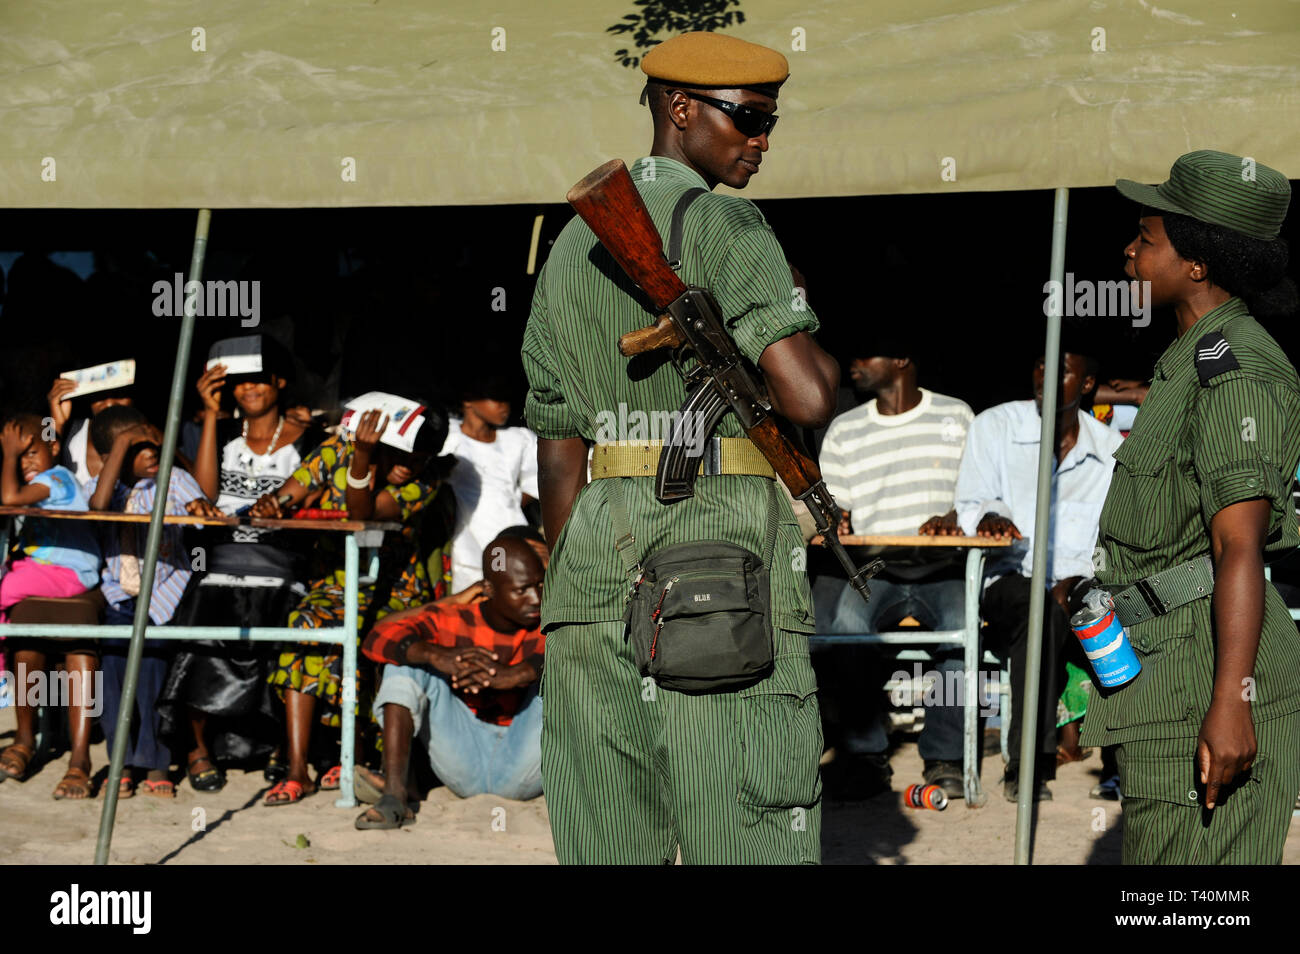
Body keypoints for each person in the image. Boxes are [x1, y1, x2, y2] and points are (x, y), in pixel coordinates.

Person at [522, 31, 835, 864]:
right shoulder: (729, 223)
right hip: (720, 543)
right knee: (744, 821)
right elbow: (808, 395)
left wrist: (583, 578)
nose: (763, 140)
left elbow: (558, 447)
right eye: (751, 118)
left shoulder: (564, 249)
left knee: (610, 831)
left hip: (590, 559)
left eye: (771, 121)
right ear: (682, 109)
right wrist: (793, 300)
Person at [1079, 150, 1300, 864]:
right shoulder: (1188, 362)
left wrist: (1232, 701)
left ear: (1198, 263)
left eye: (1146, 239)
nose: (1129, 252)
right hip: (1165, 662)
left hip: (1208, 667)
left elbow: (1240, 546)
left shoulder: (1236, 370)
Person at [930, 339, 1123, 801]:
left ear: (1088, 383)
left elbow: (1111, 537)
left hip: (1080, 580)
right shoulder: (996, 425)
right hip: (1008, 578)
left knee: (1128, 610)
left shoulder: (1110, 449)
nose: (1045, 376)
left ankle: (1124, 762)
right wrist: (992, 515)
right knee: (1039, 611)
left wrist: (1073, 580)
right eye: (1040, 365)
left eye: (1060, 369)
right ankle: (1029, 766)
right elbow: (970, 503)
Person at [260, 400, 450, 806]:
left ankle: (357, 756)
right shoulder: (337, 450)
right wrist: (274, 504)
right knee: (304, 628)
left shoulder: (424, 481)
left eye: (421, 458)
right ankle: (298, 770)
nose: (410, 465)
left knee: (371, 639)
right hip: (334, 582)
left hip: (395, 590)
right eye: (403, 453)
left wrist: (363, 459)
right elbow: (290, 492)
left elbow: (361, 513)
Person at [812, 330, 974, 799]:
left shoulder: (955, 415)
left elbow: (980, 489)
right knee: (845, 626)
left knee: (962, 630)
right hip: (874, 568)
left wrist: (957, 513)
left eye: (867, 353)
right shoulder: (846, 428)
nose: (854, 362)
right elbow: (834, 504)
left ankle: (946, 757)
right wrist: (834, 518)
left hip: (943, 566)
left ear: (902, 358)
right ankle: (866, 754)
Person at [157, 334, 321, 793]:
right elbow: (206, 496)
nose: (248, 389)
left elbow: (316, 497)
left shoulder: (310, 441)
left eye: (258, 380)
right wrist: (210, 413)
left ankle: (277, 744)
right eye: (239, 382)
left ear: (280, 382)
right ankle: (196, 747)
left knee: (281, 619)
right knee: (199, 621)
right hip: (220, 558)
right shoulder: (223, 434)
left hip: (280, 561)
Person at [354, 535, 545, 828]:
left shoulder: (548, 622)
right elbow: (376, 639)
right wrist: (436, 654)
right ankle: (394, 795)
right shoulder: (455, 618)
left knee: (561, 672)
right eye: (522, 590)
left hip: (523, 760)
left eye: (540, 585)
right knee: (404, 662)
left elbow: (580, 658)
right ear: (490, 590)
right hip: (460, 758)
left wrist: (516, 675)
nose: (536, 598)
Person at [86, 406, 206, 798]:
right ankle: (120, 761)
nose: (152, 453)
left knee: (153, 678)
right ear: (113, 456)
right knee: (113, 680)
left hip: (161, 599)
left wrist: (197, 508)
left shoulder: (173, 480)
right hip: (119, 597)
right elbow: (99, 507)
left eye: (153, 444)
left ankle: (156, 763)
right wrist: (121, 445)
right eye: (138, 448)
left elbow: (198, 505)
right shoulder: (109, 487)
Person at [0, 413, 102, 798]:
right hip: (48, 569)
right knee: (17, 614)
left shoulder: (54, 478)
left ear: (55, 449)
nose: (25, 462)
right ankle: (25, 738)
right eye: (18, 456)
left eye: (30, 453)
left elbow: (10, 500)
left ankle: (79, 758)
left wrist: (9, 455)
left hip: (68, 573)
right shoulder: (48, 470)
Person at [441, 375, 539, 593]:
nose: (504, 407)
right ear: (468, 400)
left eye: (507, 399)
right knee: (469, 607)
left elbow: (536, 482)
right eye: (496, 399)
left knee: (505, 595)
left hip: (507, 536)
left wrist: (508, 502)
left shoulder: (517, 439)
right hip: (463, 542)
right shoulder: (448, 436)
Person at [46, 372, 135, 486]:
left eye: (119, 394)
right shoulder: (72, 431)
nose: (109, 404)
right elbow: (42, 446)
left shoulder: (148, 437)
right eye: (100, 396)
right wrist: (54, 421)